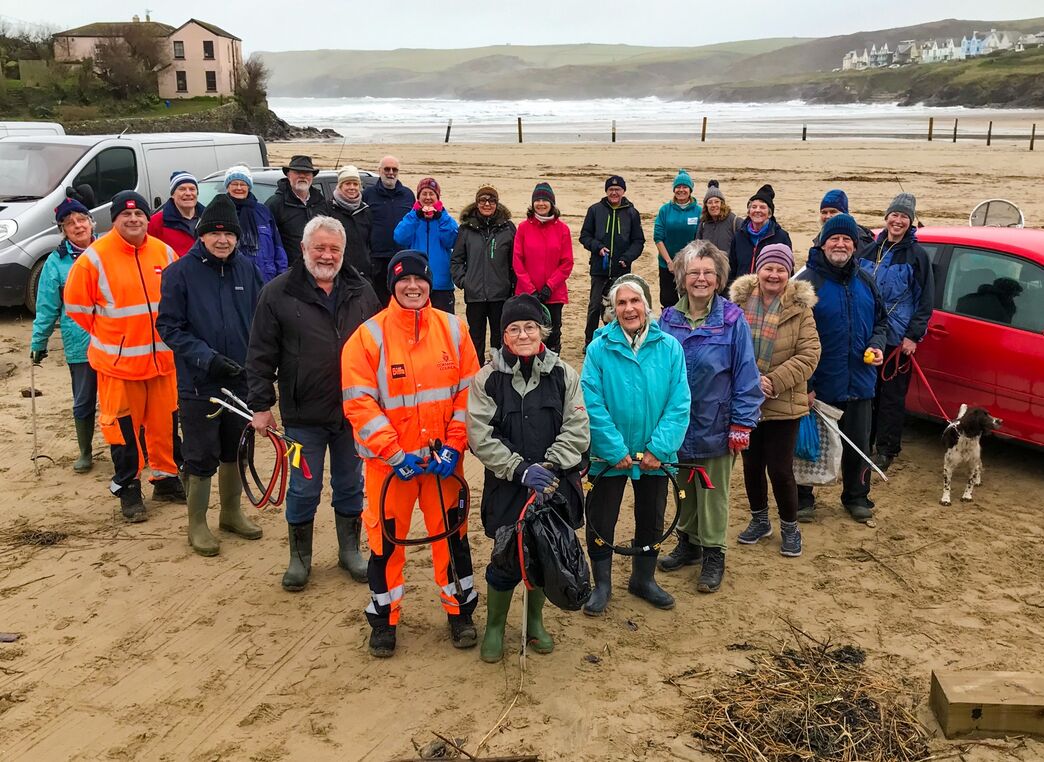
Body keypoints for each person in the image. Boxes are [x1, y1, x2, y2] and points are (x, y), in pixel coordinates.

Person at [341, 250, 481, 658]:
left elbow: (468, 394)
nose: (414, 286)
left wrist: (455, 446)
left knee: (453, 538)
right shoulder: (368, 337)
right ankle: (384, 621)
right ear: (393, 285)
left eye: (420, 279)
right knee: (385, 542)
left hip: (441, 464)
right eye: (404, 281)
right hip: (390, 466)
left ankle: (460, 614)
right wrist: (394, 453)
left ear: (429, 283)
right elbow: (359, 403)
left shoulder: (455, 330)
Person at [247, 216, 382, 589]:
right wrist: (261, 405)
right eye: (319, 247)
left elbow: (381, 351)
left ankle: (349, 550)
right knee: (303, 487)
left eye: (334, 249)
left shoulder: (363, 291)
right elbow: (259, 355)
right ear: (304, 249)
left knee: (351, 484)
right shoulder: (277, 293)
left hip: (354, 415)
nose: (327, 255)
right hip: (301, 416)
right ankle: (299, 558)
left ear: (343, 252)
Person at [466, 294, 589, 662]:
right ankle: (494, 628)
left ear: (543, 332)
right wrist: (520, 469)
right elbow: (480, 435)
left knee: (545, 555)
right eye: (514, 328)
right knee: (506, 559)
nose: (523, 334)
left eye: (530, 327)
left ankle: (534, 621)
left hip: (554, 484)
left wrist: (550, 467)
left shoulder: (564, 374)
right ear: (504, 335)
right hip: (508, 485)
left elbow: (578, 427)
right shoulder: (486, 379)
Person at [63, 191, 184, 521]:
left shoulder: (165, 252)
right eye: (125, 216)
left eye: (139, 215)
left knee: (164, 427)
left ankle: (167, 480)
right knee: (124, 432)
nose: (133, 220)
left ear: (147, 218)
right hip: (119, 366)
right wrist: (115, 338)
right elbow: (76, 307)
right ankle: (129, 489)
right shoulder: (94, 258)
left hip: (162, 364)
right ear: (113, 220)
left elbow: (179, 301)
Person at [157, 195, 264, 556]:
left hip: (240, 380)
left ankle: (231, 513)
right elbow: (169, 327)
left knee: (236, 450)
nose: (223, 240)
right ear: (201, 235)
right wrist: (207, 358)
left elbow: (261, 320)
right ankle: (197, 524)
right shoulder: (179, 273)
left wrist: (260, 367)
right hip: (199, 382)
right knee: (201, 454)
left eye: (229, 234)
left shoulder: (247, 270)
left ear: (237, 237)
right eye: (215, 233)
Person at [581, 274, 690, 615]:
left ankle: (643, 579)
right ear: (613, 311)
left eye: (635, 301)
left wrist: (659, 448)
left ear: (647, 304)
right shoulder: (597, 349)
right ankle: (602, 584)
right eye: (621, 303)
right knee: (601, 518)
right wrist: (613, 450)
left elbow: (679, 402)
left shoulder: (670, 347)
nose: (629, 309)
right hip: (608, 456)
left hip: (656, 456)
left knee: (651, 517)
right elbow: (591, 403)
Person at [658, 241, 762, 592]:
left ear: (718, 279)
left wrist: (742, 423)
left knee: (712, 493)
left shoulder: (732, 320)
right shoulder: (667, 320)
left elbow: (747, 375)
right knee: (683, 489)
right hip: (677, 426)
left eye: (707, 273)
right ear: (681, 278)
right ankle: (688, 543)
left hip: (717, 423)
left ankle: (714, 553)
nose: (700, 279)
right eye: (693, 273)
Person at [727, 244, 820, 558]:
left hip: (784, 403)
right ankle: (759, 521)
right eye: (769, 268)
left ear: (789, 272)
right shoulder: (738, 302)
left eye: (781, 269)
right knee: (751, 466)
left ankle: (790, 527)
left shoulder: (799, 307)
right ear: (758, 269)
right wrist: (748, 382)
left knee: (780, 470)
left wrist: (772, 381)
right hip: (745, 402)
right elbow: (729, 346)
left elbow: (809, 355)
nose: (774, 274)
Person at [796, 213, 887, 523]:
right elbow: (792, 337)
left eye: (846, 239)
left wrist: (877, 344)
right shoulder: (807, 282)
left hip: (860, 381)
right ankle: (802, 497)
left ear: (855, 245)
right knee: (809, 443)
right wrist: (804, 383)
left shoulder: (866, 281)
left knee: (859, 444)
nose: (840, 244)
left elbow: (881, 322)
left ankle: (857, 496)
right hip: (819, 383)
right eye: (834, 238)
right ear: (822, 244)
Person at [857, 193, 934, 472]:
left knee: (891, 397)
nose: (898, 221)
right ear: (886, 218)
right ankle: (864, 443)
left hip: (898, 339)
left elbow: (926, 300)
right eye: (894, 215)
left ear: (910, 222)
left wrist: (913, 336)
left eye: (904, 216)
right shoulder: (867, 251)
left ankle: (887, 449)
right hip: (868, 336)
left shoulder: (918, 256)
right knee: (867, 393)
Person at [30, 189, 98, 473]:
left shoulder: (108, 252)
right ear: (63, 230)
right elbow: (46, 307)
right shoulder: (56, 264)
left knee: (123, 402)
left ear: (92, 222)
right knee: (83, 400)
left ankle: (130, 450)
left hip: (117, 340)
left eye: (82, 219)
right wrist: (38, 342)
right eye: (71, 223)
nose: (78, 226)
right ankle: (85, 451)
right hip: (79, 343)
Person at [450, 184, 516, 360]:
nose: (487, 204)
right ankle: (475, 372)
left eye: (491, 200)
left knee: (500, 336)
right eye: (483, 200)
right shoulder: (466, 229)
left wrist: (510, 285)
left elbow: (515, 261)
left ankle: (499, 371)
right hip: (475, 295)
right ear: (477, 203)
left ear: (497, 203)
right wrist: (465, 282)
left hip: (500, 294)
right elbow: (456, 259)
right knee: (476, 337)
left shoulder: (507, 228)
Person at [579, 175, 645, 348]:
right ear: (606, 191)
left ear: (623, 191)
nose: (614, 192)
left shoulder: (632, 213)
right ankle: (590, 342)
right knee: (594, 307)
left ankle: (618, 339)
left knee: (619, 307)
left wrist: (627, 257)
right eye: (611, 190)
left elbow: (638, 241)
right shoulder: (595, 210)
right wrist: (597, 247)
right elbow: (584, 236)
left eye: (617, 189)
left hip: (621, 270)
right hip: (599, 269)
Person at [512, 182, 573, 354]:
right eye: (537, 200)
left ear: (552, 203)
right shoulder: (523, 228)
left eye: (545, 200)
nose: (541, 203)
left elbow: (567, 262)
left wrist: (549, 287)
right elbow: (517, 261)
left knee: (552, 334)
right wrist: (530, 290)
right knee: (528, 333)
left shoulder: (562, 229)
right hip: (527, 293)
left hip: (554, 294)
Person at [393, 177, 459, 313]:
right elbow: (399, 237)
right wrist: (416, 215)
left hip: (441, 284)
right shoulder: (412, 218)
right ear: (418, 197)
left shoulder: (445, 219)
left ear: (437, 197)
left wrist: (440, 217)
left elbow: (452, 240)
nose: (428, 197)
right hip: (417, 282)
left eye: (431, 194)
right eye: (424, 194)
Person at [363, 155, 415, 305]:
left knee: (401, 296)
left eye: (394, 169)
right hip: (377, 257)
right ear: (379, 171)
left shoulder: (407, 194)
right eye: (387, 169)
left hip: (402, 255)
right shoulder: (368, 194)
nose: (391, 172)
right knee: (380, 300)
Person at [224, 166, 288, 283]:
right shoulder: (221, 211)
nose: (239, 188)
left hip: (266, 278)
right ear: (228, 187)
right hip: (234, 280)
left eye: (243, 184)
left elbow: (277, 246)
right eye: (234, 184)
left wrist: (281, 276)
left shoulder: (263, 211)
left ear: (249, 187)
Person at [653, 169, 700, 308]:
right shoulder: (665, 210)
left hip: (690, 263)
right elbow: (658, 238)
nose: (681, 190)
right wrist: (669, 262)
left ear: (690, 190)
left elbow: (700, 238)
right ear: (674, 189)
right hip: (667, 264)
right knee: (668, 301)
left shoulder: (698, 211)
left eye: (685, 187)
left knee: (690, 299)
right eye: (678, 187)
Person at [728, 184, 792, 285]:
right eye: (754, 207)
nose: (757, 210)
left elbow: (788, 270)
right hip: (742, 292)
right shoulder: (739, 236)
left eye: (762, 207)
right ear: (749, 212)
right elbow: (732, 269)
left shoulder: (781, 236)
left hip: (770, 291)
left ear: (770, 214)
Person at [266, 154, 324, 268]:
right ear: (288, 175)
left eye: (307, 173)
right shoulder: (275, 204)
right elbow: (267, 241)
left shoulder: (321, 202)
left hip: (318, 267)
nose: (302, 176)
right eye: (297, 173)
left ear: (312, 177)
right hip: (289, 271)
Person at [320, 165, 373, 283]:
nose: (352, 188)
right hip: (338, 275)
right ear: (340, 186)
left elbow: (370, 244)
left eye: (355, 184)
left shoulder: (365, 211)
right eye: (347, 184)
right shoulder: (327, 209)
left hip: (363, 276)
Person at [147, 171, 204, 257]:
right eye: (182, 189)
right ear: (173, 194)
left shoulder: (209, 218)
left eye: (192, 189)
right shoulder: (156, 222)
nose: (188, 193)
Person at [696, 180, 740, 254]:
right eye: (710, 202)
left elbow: (742, 246)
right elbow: (697, 247)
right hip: (708, 264)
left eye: (716, 202)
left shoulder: (735, 221)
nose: (713, 205)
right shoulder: (703, 224)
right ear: (706, 206)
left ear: (722, 204)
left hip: (729, 265)